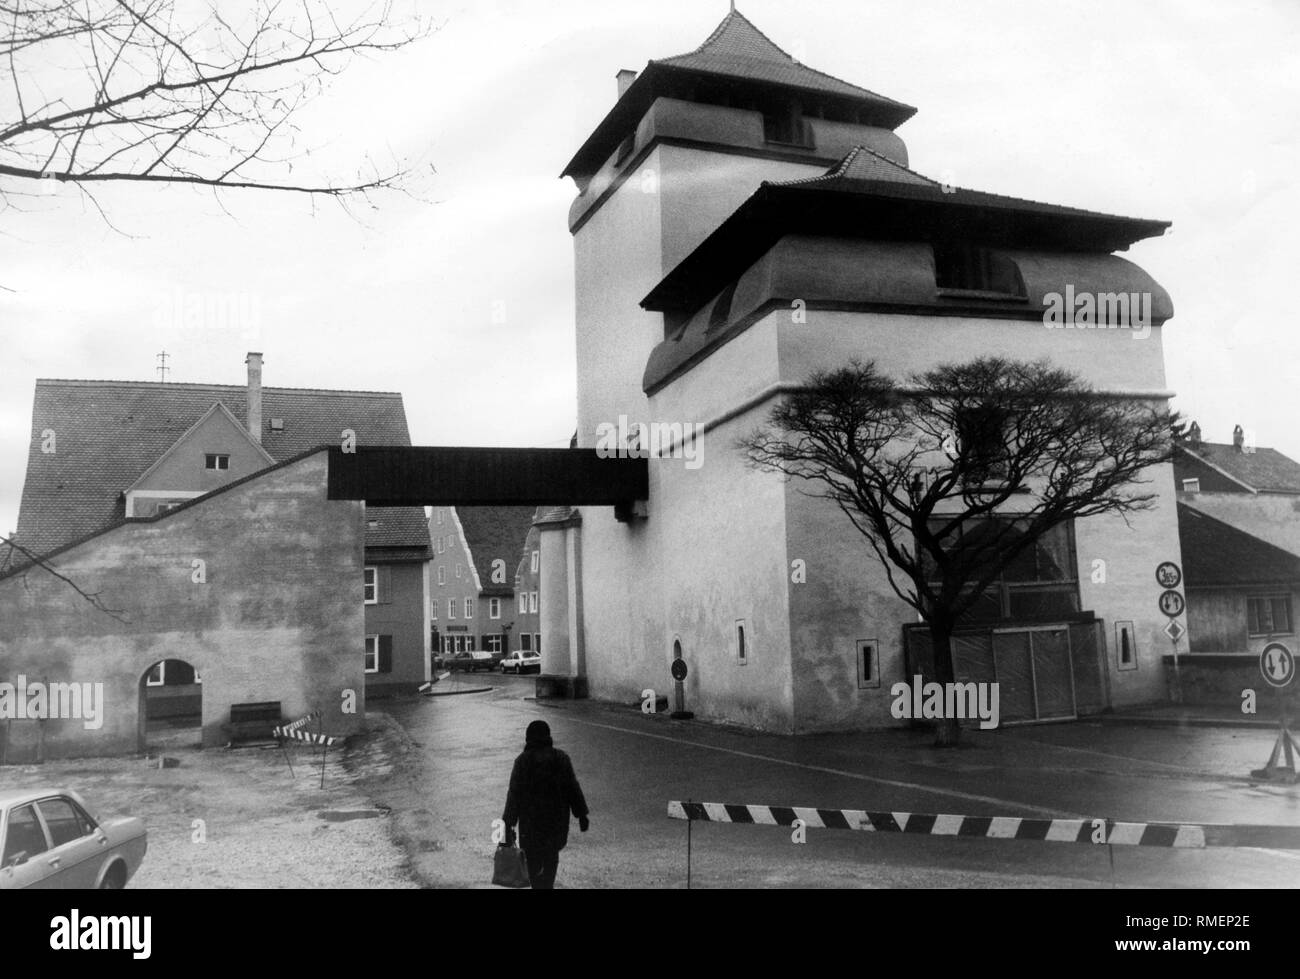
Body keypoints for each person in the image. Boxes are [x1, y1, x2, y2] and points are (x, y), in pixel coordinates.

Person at [501, 719, 589, 889]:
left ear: (528, 738)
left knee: (533, 865)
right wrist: (582, 815)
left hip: (530, 827)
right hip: (555, 825)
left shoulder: (522, 761)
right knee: (551, 859)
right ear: (548, 736)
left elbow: (514, 795)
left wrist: (507, 824)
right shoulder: (561, 758)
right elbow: (572, 788)